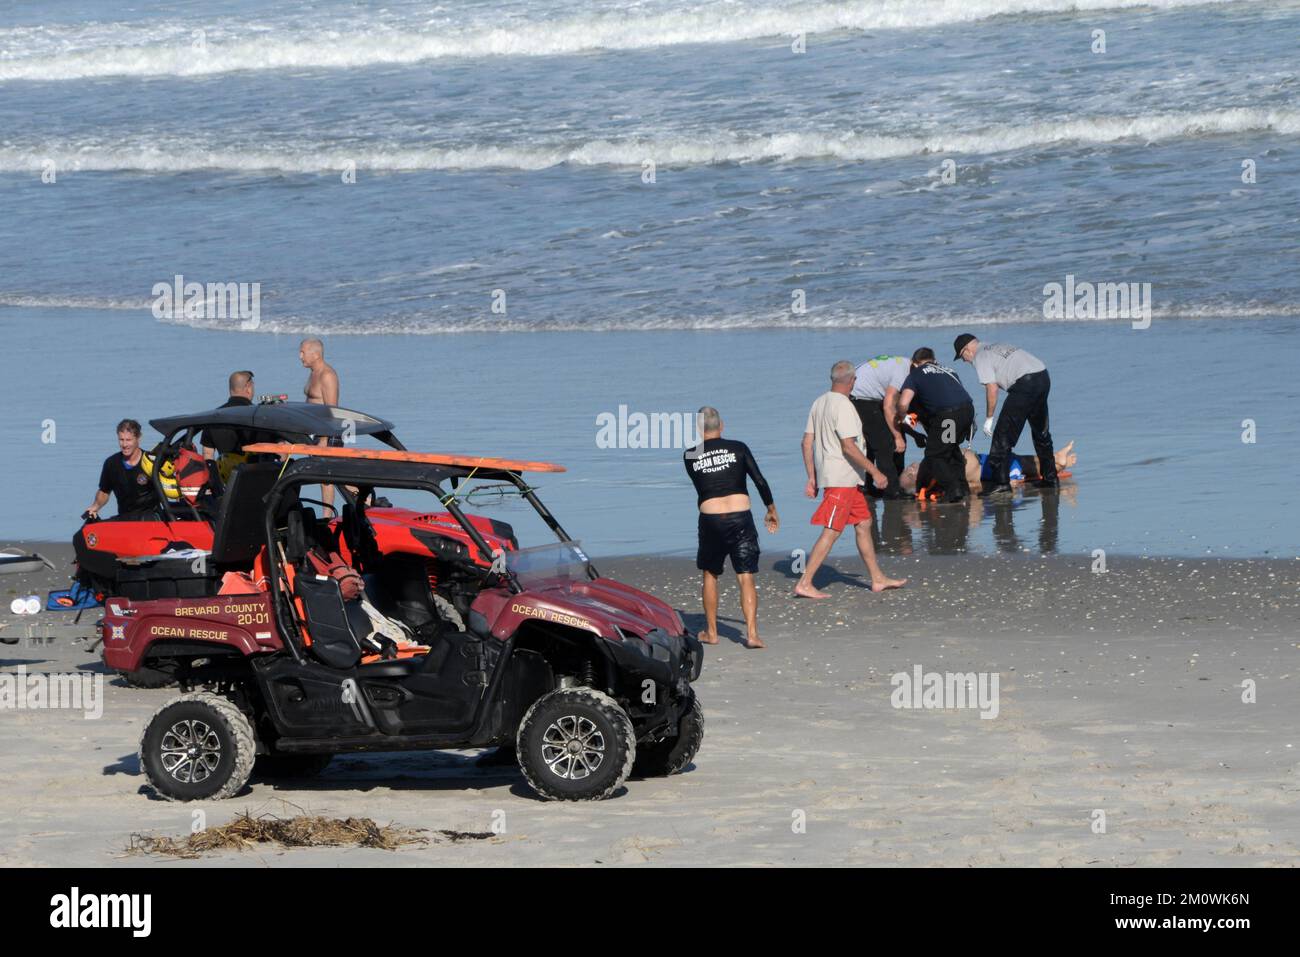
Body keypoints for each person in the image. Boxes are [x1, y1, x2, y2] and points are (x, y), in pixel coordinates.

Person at [795, 361, 907, 599]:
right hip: (841, 479)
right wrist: (875, 472)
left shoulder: (819, 402)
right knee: (832, 531)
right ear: (851, 381)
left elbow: (806, 442)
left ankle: (877, 579)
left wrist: (812, 478)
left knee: (864, 524)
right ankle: (805, 582)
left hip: (844, 480)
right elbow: (848, 447)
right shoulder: (844, 406)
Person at [684, 407, 779, 649]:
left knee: (710, 573)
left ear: (698, 428)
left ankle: (712, 632)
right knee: (745, 576)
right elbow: (759, 480)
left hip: (711, 519)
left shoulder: (690, 455)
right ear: (722, 426)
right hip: (741, 518)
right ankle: (752, 634)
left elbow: (704, 485)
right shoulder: (738, 447)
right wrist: (770, 508)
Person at [953, 335, 1057, 496]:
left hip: (1025, 383)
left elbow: (992, 389)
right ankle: (1051, 479)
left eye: (962, 357)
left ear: (966, 350)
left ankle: (1001, 484)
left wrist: (989, 418)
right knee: (1041, 432)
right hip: (1042, 376)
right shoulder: (995, 346)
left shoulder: (980, 356)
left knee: (1002, 437)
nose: (965, 361)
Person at [897, 347, 974, 503]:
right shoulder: (949, 371)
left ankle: (954, 489)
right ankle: (963, 488)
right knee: (950, 449)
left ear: (914, 363)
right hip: (966, 412)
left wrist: (901, 416)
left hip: (948, 416)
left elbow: (904, 403)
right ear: (934, 360)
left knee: (935, 456)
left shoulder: (916, 374)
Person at [902, 441, 1077, 497]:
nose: (911, 466)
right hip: (987, 471)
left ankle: (1055, 458)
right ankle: (1058, 463)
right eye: (910, 471)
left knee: (1019, 459)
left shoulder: (932, 464)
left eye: (908, 467)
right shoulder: (938, 475)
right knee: (1023, 465)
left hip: (983, 461)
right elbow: (971, 487)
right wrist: (1005, 483)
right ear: (915, 477)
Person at [849, 354, 913, 499]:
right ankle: (893, 491)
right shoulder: (903, 373)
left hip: (860, 394)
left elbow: (895, 413)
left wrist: (913, 434)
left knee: (871, 443)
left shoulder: (903, 364)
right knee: (884, 444)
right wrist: (897, 437)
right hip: (862, 398)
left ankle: (866, 486)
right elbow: (888, 406)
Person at [84, 419, 160, 519]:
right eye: (121, 440)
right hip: (125, 518)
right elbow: (104, 491)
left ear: (138, 439)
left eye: (128, 440)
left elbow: (171, 487)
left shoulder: (152, 462)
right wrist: (95, 507)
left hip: (151, 517)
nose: (124, 445)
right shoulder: (111, 463)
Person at [300, 338, 341, 509]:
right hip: (313, 432)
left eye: (303, 352)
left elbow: (332, 410)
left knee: (329, 477)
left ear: (315, 355)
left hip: (327, 433)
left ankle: (327, 516)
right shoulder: (312, 373)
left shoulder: (327, 375)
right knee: (327, 476)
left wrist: (324, 438)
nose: (300, 356)